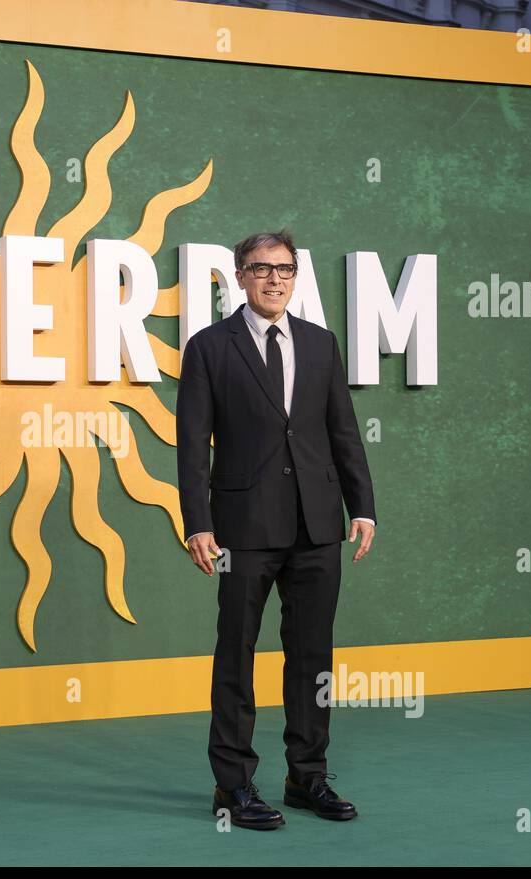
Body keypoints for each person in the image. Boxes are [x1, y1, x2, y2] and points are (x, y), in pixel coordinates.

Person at [176, 229, 377, 830]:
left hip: (318, 525)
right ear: (239, 276)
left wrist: (361, 506)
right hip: (242, 527)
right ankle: (232, 785)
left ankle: (306, 776)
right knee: (236, 653)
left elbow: (343, 430)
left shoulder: (321, 344)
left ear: (295, 277)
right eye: (262, 269)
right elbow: (192, 445)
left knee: (312, 656)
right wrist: (198, 522)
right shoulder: (210, 347)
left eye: (285, 269)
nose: (274, 279)